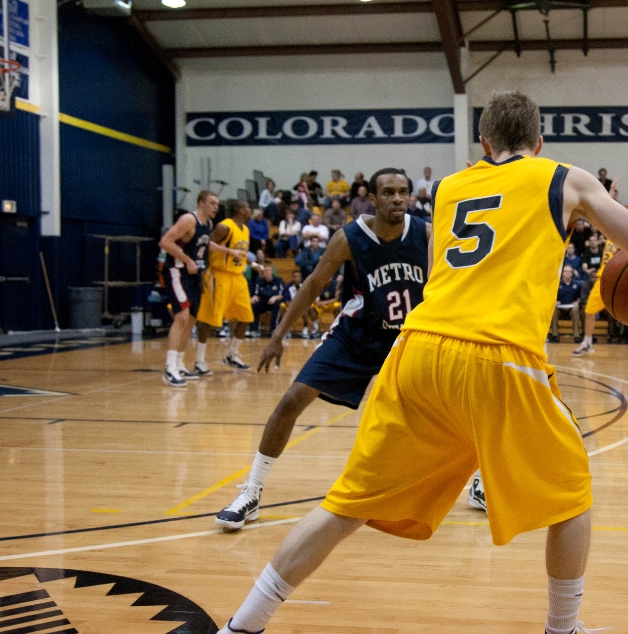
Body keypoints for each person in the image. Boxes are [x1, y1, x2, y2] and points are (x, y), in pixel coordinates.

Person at [191, 91, 628, 634]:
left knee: (347, 503)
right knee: (571, 495)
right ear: (539, 142)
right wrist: (610, 209)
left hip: (417, 352)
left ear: (485, 144)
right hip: (501, 357)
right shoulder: (564, 177)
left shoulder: (448, 189)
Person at [212, 168, 430, 532]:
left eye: (403, 192)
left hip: (410, 339)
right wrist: (278, 335)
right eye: (389, 192)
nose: (397, 198)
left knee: (461, 402)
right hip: (356, 336)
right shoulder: (349, 238)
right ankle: (251, 491)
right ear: (371, 199)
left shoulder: (425, 233)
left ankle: (479, 483)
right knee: (292, 399)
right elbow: (313, 285)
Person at [159, 190, 217, 387]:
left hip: (195, 275)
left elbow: (205, 247)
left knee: (191, 319)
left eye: (217, 204)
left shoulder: (208, 225)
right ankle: (169, 368)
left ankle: (179, 363)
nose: (215, 207)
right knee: (182, 317)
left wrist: (228, 251)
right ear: (201, 203)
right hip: (177, 271)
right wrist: (187, 260)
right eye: (212, 203)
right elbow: (165, 241)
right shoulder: (188, 220)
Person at [194, 199, 256, 374]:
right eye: (247, 206)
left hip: (237, 277)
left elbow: (240, 253)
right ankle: (199, 361)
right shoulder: (224, 227)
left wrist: (253, 263)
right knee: (209, 319)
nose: (250, 209)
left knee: (246, 317)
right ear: (239, 209)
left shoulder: (245, 229)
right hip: (219, 275)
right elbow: (206, 245)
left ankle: (232, 355)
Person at [573, 237, 628, 360]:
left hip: (616, 280)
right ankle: (587, 342)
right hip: (602, 279)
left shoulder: (626, 240)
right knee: (589, 311)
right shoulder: (610, 235)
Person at [250, 263, 285, 337]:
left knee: (277, 304)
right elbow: (256, 293)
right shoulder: (259, 281)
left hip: (273, 302)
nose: (268, 272)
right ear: (263, 272)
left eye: (269, 270)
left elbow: (282, 295)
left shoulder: (278, 281)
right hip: (262, 301)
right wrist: (255, 297)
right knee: (254, 304)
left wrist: (275, 297)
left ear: (272, 272)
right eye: (266, 271)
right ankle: (254, 330)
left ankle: (273, 330)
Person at [551, 265, 583, 342]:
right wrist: (554, 301)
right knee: (553, 310)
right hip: (559, 307)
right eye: (566, 271)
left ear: (572, 273)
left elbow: (580, 297)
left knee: (575, 310)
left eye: (570, 271)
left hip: (571, 307)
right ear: (562, 273)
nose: (568, 273)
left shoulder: (577, 285)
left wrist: (577, 302)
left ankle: (576, 336)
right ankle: (554, 335)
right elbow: (551, 296)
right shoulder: (557, 284)